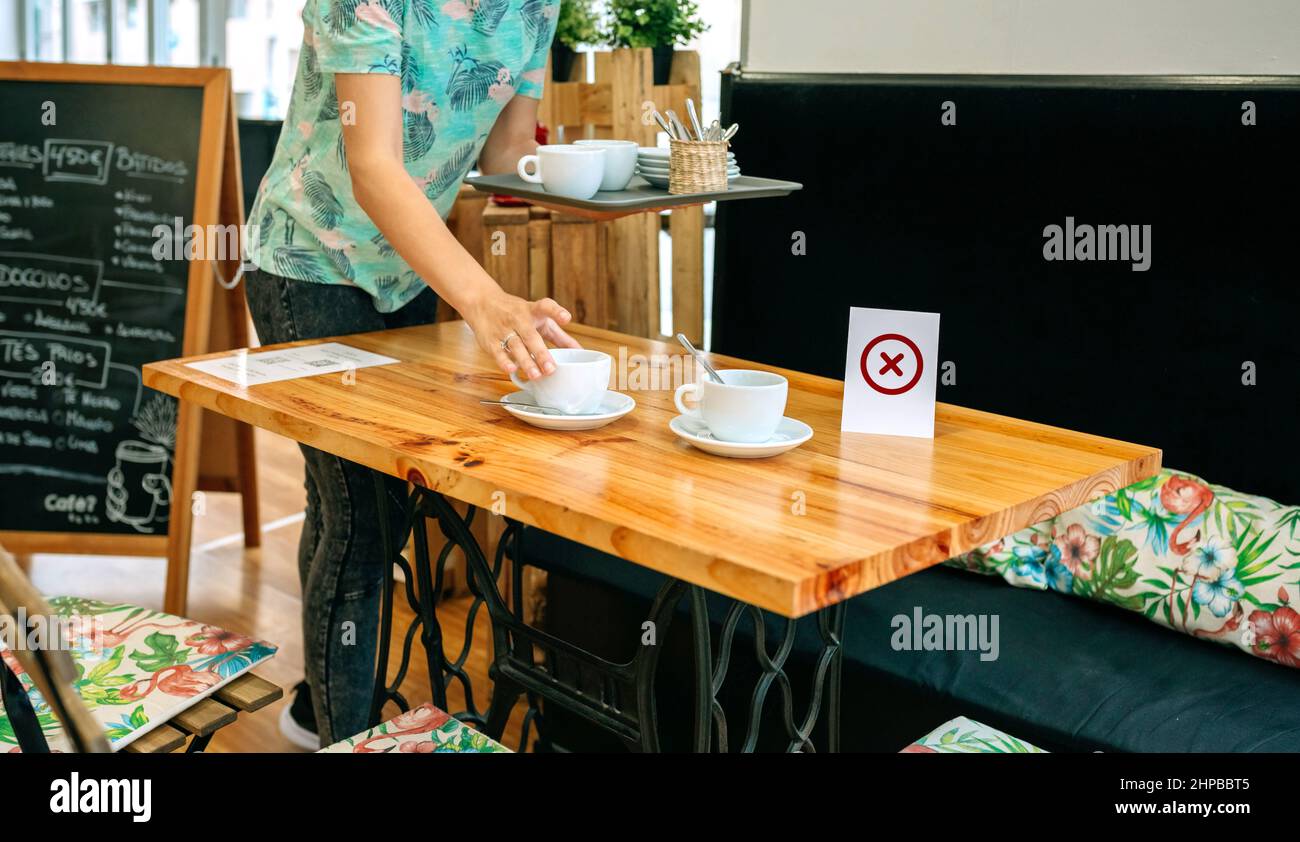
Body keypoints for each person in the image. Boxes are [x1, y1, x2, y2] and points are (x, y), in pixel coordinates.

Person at [245, 0, 577, 749]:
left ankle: (314, 702)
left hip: (411, 269)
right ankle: (344, 736)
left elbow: (507, 153)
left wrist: (597, 189)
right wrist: (485, 301)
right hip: (309, 264)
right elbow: (371, 168)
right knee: (362, 514)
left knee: (351, 506)